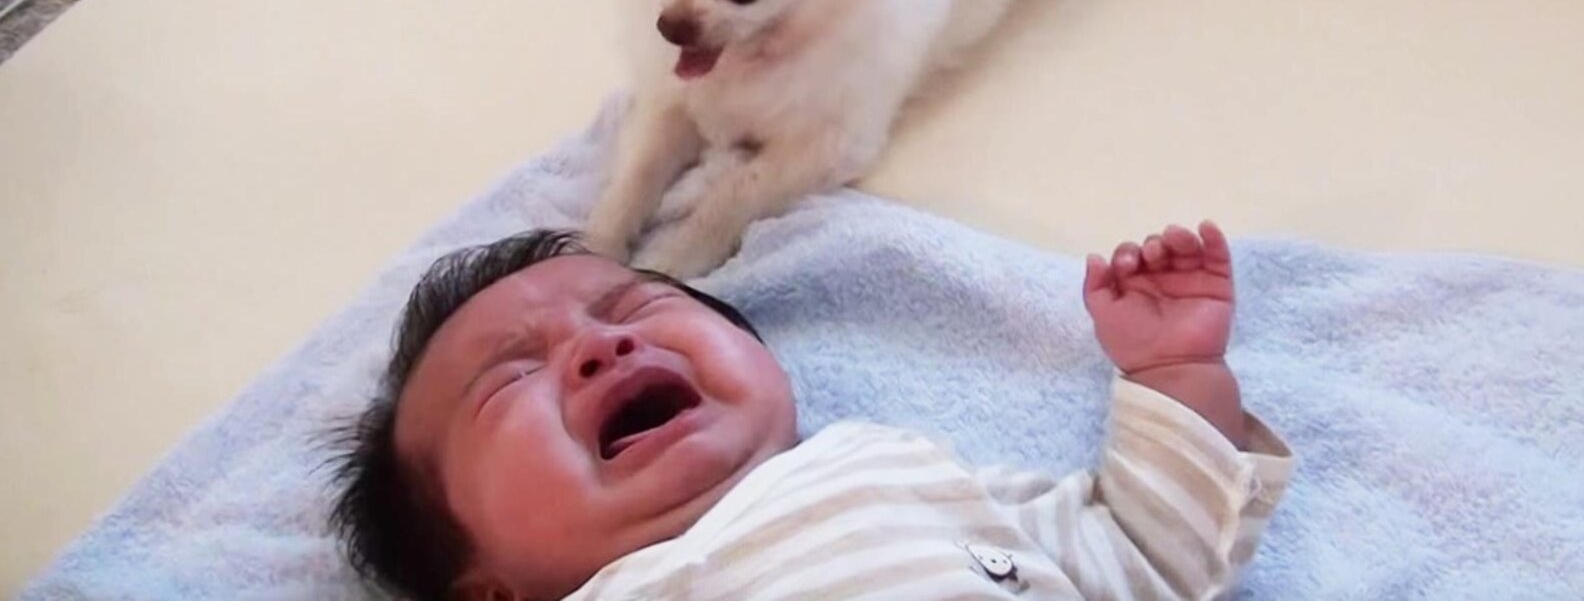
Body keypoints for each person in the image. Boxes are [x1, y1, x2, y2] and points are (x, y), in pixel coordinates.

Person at [331, 222, 1292, 600]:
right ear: (485, 589)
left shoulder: (896, 473)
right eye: (508, 381)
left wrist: (1175, 367)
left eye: (634, 308)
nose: (599, 347)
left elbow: (1147, 550)